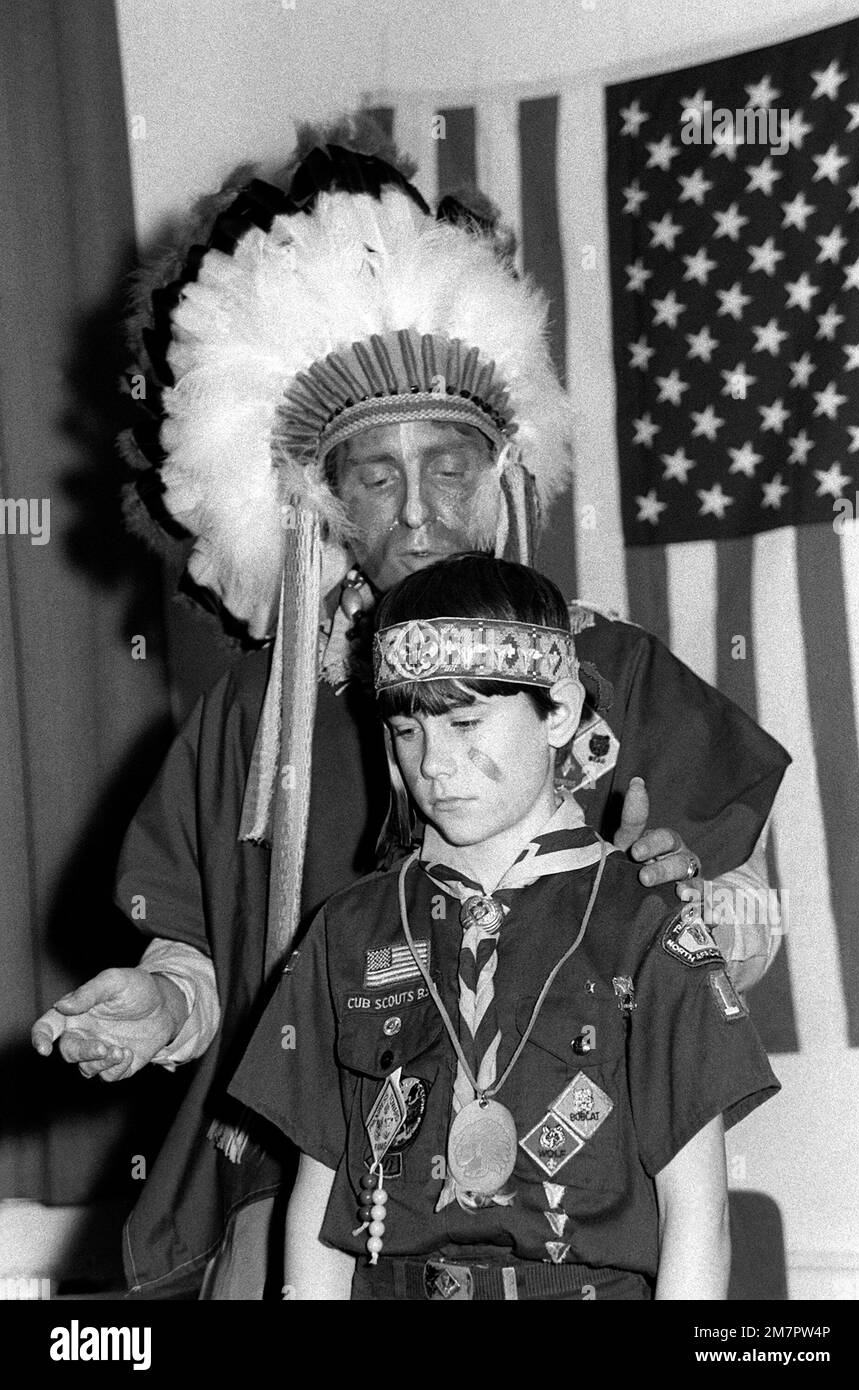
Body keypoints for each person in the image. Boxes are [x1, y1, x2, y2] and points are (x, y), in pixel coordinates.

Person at [30, 125, 789, 1299]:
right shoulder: (260, 710)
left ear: (502, 471)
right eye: (377, 477)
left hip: (572, 1181)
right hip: (320, 1165)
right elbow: (208, 953)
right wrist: (163, 1003)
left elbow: (748, 918)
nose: (420, 510)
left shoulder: (607, 668)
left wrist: (707, 907)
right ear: (323, 500)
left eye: (449, 467)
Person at [229, 553, 780, 1301]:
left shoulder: (645, 923)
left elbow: (697, 1217)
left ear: (559, 713)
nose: (434, 764)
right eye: (407, 730)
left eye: (466, 723)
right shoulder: (350, 930)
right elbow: (317, 1209)